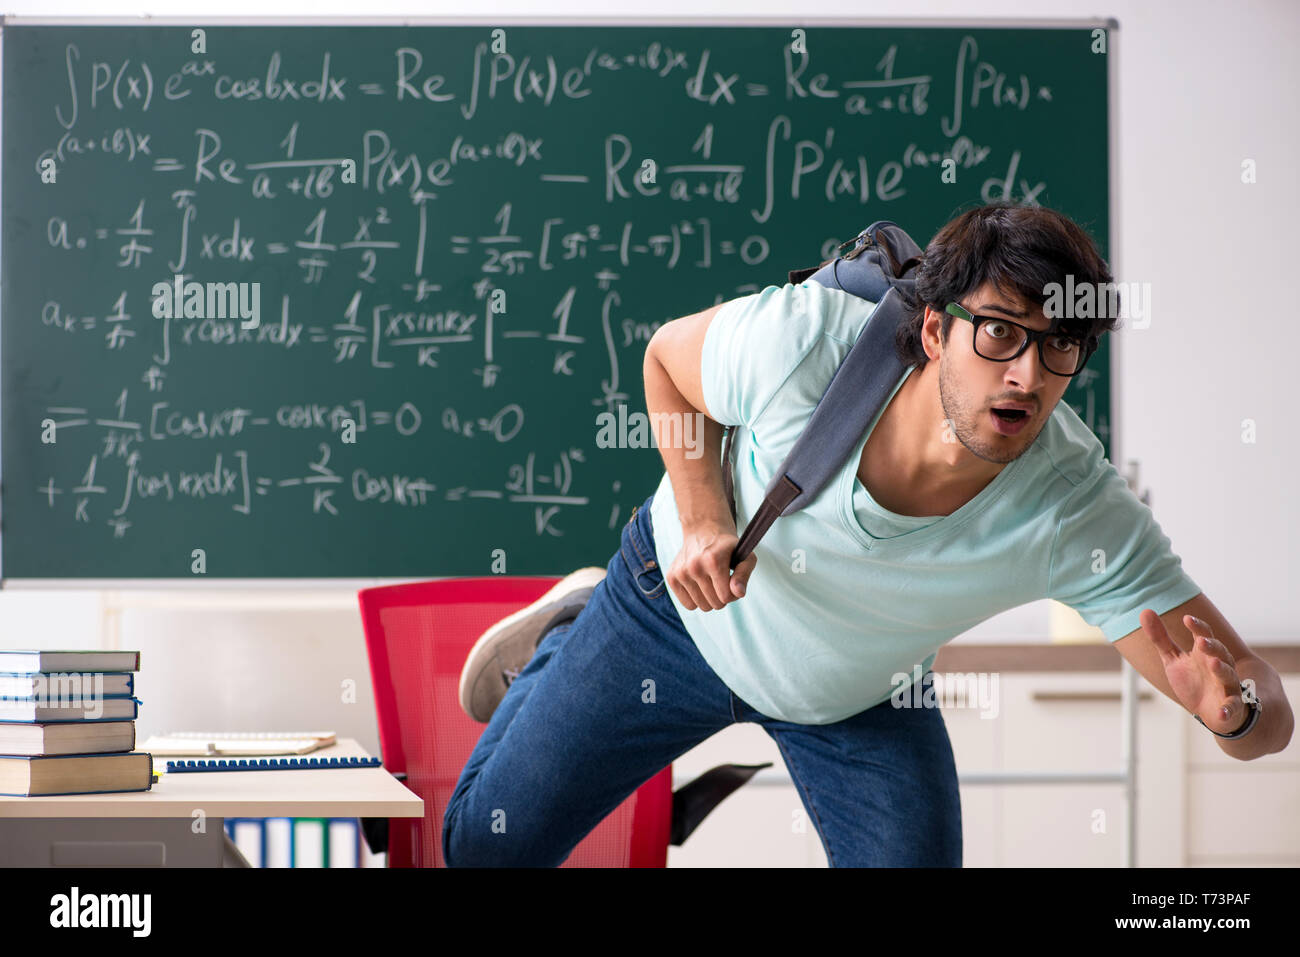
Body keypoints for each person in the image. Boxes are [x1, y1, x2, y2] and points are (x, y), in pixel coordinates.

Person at [444, 202, 1294, 867]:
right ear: (934, 331)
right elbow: (666, 359)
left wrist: (1234, 711)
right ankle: (571, 628)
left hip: (857, 691)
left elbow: (1267, 715)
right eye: (1000, 331)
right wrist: (703, 513)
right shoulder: (802, 346)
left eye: (1060, 346)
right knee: (485, 848)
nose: (1027, 374)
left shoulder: (1074, 503)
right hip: (675, 611)